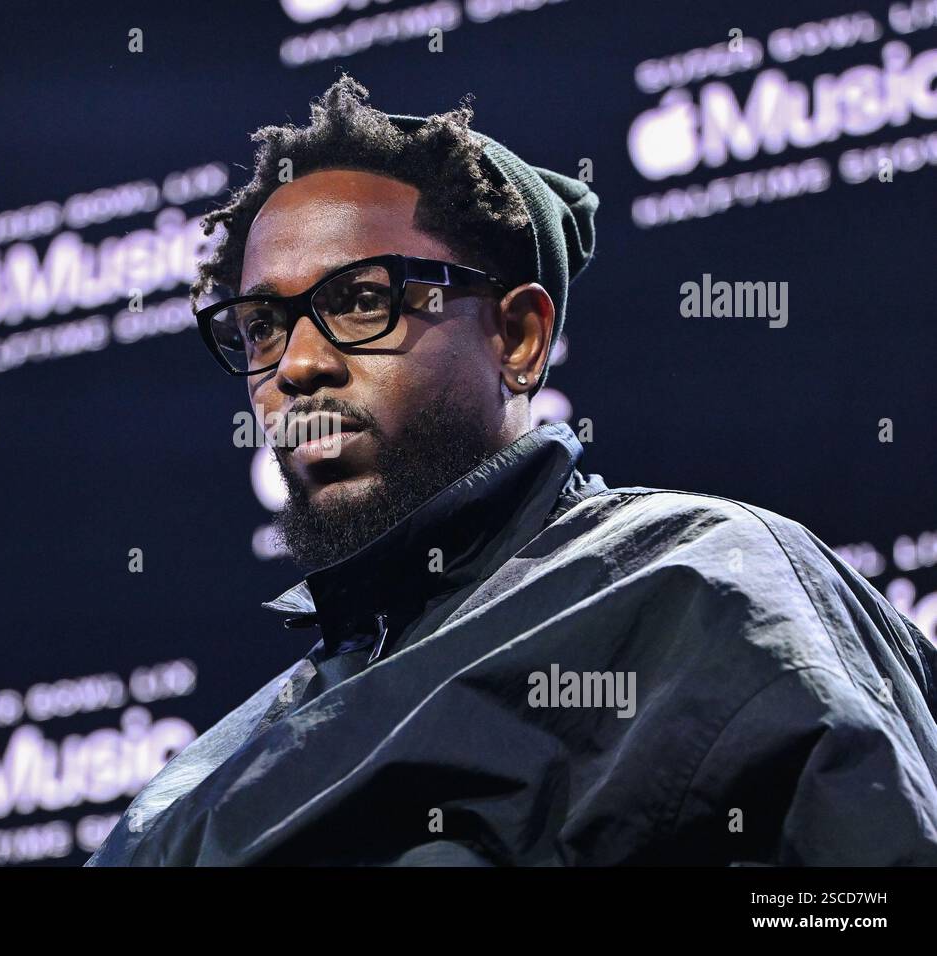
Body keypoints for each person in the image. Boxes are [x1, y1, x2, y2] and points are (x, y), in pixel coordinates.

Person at [86, 74, 937, 866]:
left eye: (360, 299)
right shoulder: (183, 796)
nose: (297, 364)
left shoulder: (698, 588)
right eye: (263, 325)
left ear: (519, 338)